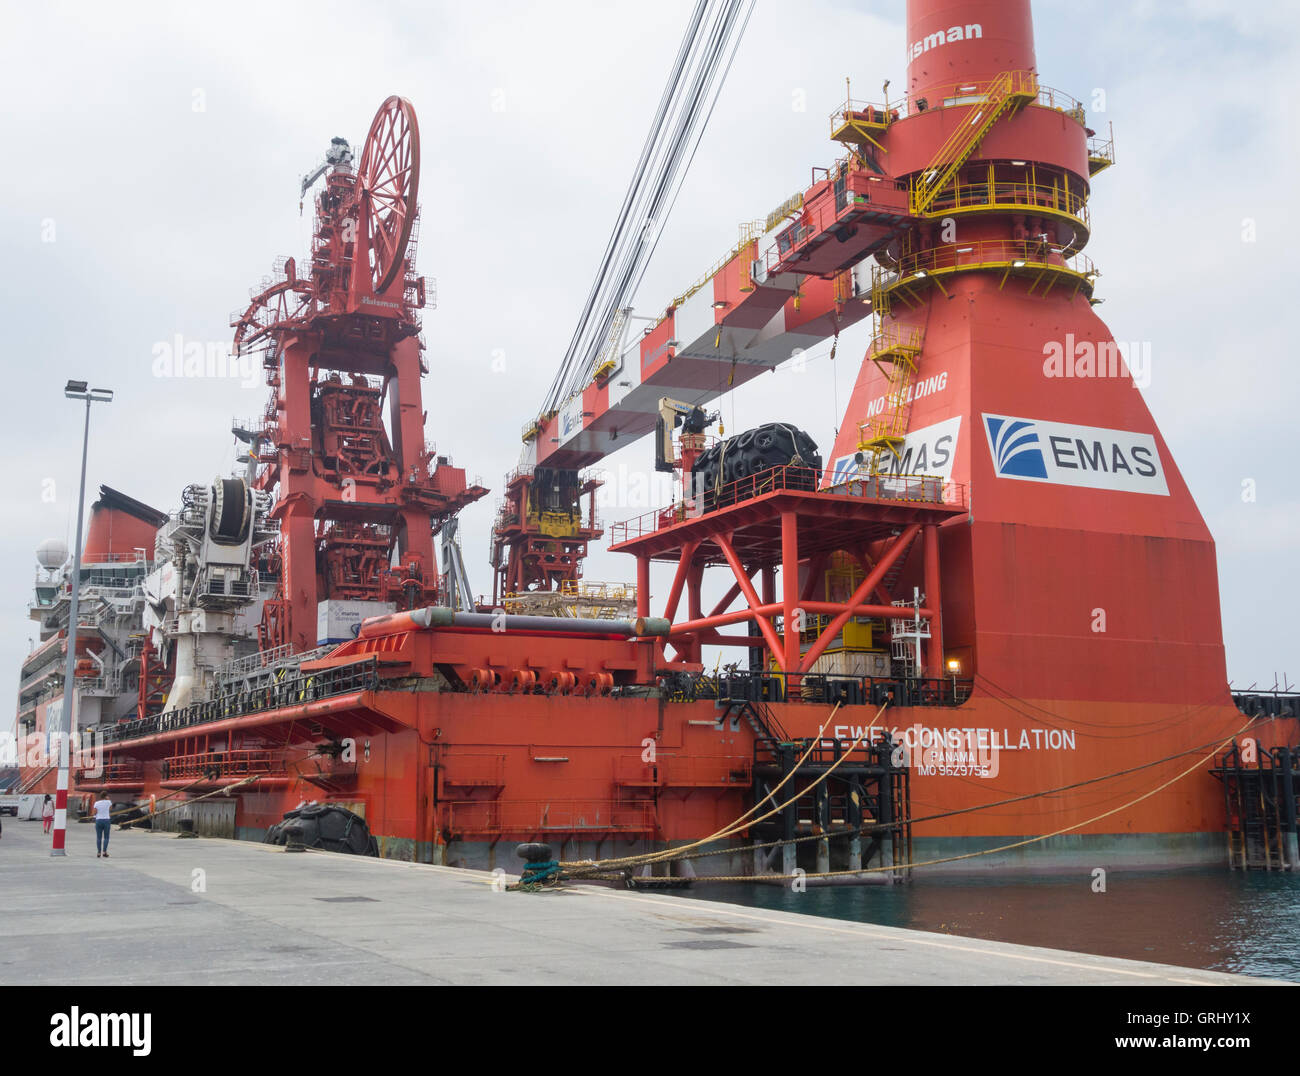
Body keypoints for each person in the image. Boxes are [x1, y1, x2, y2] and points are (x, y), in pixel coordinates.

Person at [92, 793, 113, 858]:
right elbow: (110, 809)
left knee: (99, 837)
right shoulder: (109, 802)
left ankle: (98, 852)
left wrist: (95, 816)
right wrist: (108, 800)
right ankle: (104, 852)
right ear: (106, 796)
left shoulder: (96, 803)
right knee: (106, 837)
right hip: (106, 820)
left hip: (98, 820)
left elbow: (95, 812)